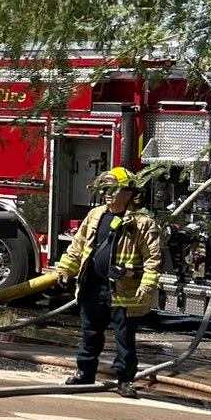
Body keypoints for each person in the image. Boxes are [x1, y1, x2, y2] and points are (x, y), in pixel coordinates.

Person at [56, 167, 162, 396]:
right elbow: (78, 246)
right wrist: (65, 269)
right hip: (93, 287)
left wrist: (145, 286)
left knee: (124, 339)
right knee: (90, 334)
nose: (108, 194)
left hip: (124, 292)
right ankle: (85, 374)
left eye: (114, 190)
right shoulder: (95, 215)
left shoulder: (142, 223)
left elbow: (153, 260)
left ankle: (124, 381)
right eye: (105, 189)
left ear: (129, 194)